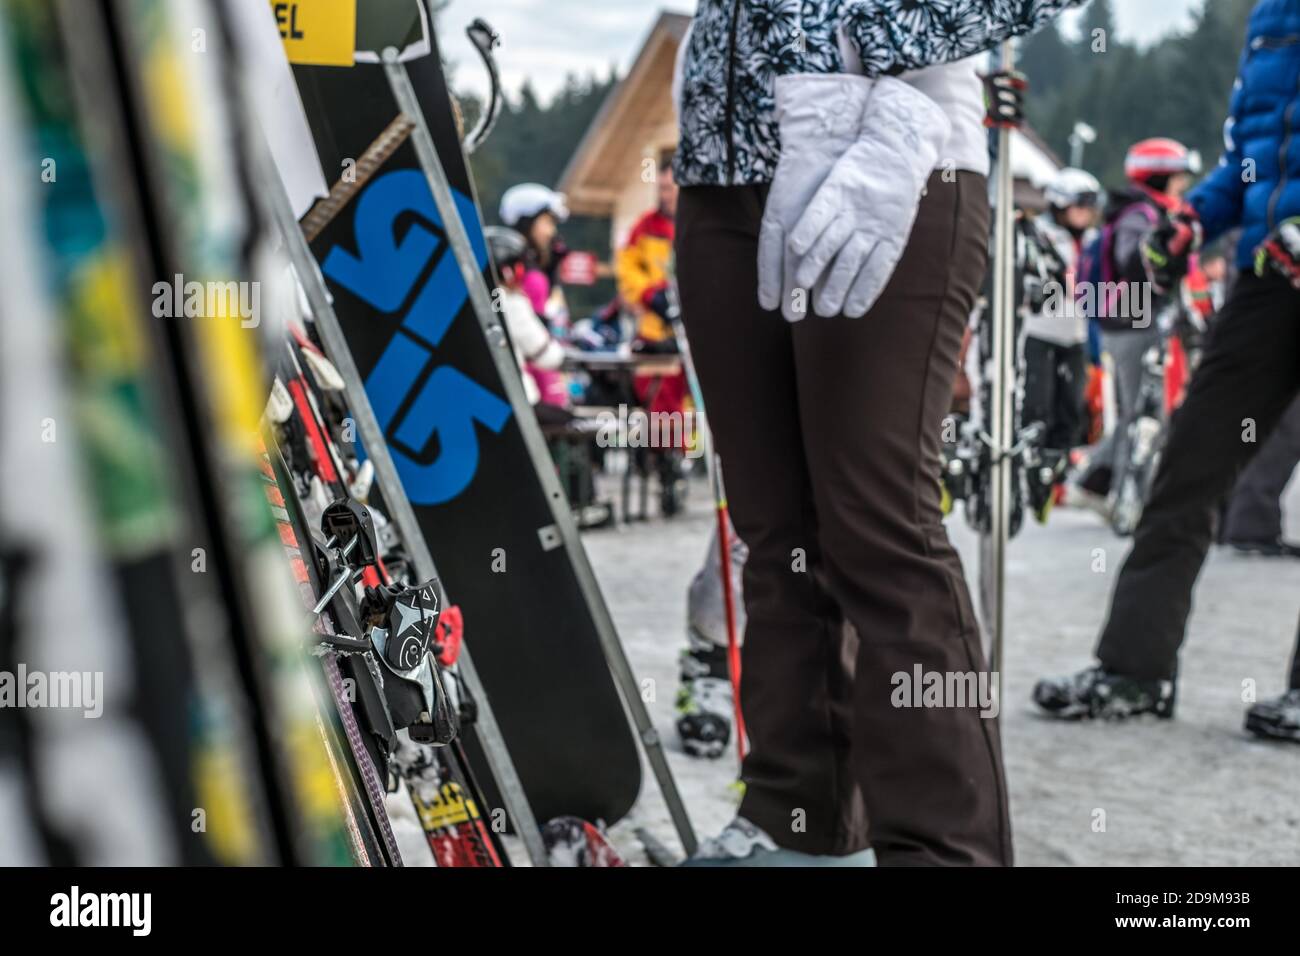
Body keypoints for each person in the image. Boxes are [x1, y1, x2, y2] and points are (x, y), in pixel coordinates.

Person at [672, 0, 1084, 867]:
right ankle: (799, 820)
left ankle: (945, 848)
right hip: (719, 170)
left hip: (898, 154)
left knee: (878, 523)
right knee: (776, 529)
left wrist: (882, 60)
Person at [1033, 0, 1300, 742]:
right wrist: (1195, 218)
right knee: (1190, 460)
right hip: (1267, 269)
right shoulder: (1269, 16)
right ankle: (1134, 670)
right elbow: (1250, 156)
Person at [1070, 139, 1201, 513]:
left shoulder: (1142, 211)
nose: (1182, 186)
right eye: (1177, 178)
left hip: (1131, 319)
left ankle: (1102, 485)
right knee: (1141, 412)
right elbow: (1134, 261)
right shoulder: (1139, 215)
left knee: (1143, 410)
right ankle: (1121, 495)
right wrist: (1164, 252)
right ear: (1158, 176)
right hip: (1132, 321)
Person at [1021, 167, 1101, 517]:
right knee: (1037, 407)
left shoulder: (1096, 239)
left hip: (1076, 336)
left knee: (1071, 409)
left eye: (1088, 207)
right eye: (1077, 206)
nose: (1083, 214)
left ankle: (1057, 478)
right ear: (1059, 205)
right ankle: (1029, 474)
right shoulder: (1039, 235)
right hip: (1039, 334)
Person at [499, 183, 572, 409]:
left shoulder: (534, 265)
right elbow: (524, 326)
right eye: (547, 222)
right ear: (527, 223)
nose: (551, 231)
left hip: (545, 361)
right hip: (533, 365)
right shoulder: (517, 271)